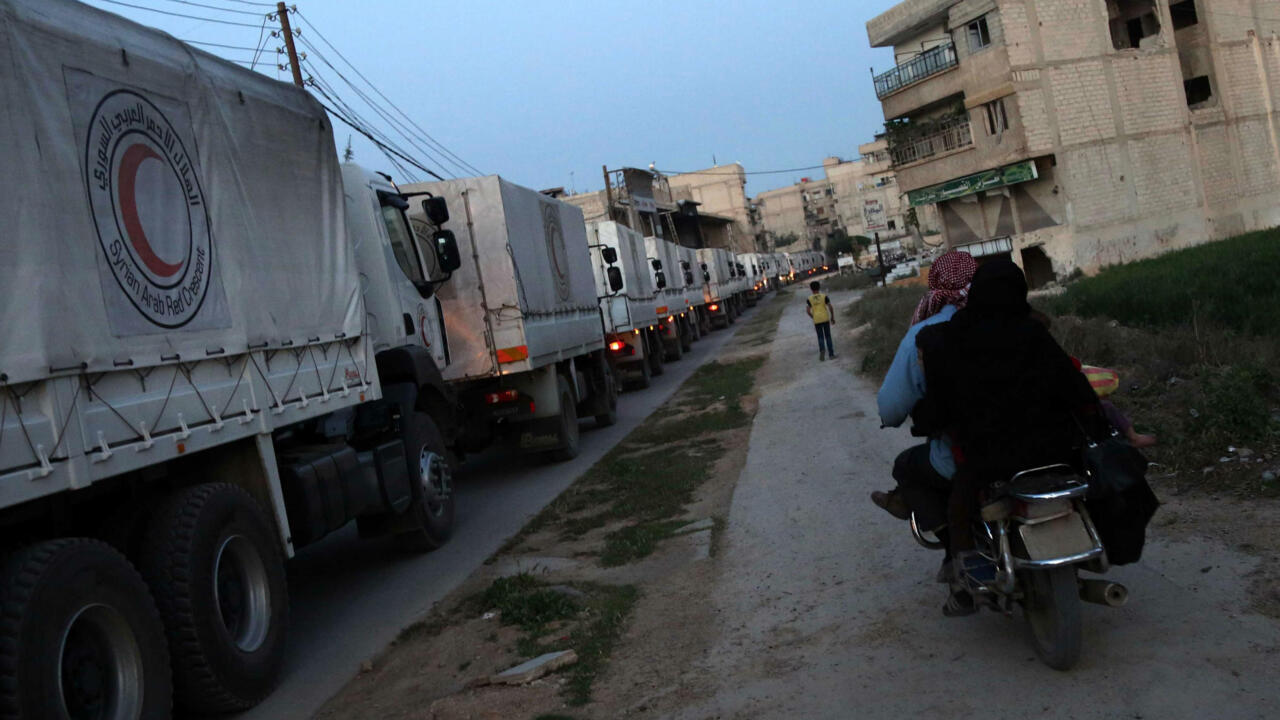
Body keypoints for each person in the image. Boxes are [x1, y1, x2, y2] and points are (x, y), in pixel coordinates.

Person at [915, 258, 1109, 615]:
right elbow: (1076, 388)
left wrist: (924, 422)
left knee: (960, 500)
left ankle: (966, 576)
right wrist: (1100, 430)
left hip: (989, 459)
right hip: (1053, 452)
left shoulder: (955, 338)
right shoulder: (1033, 333)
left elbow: (939, 402)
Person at [872, 251, 978, 582]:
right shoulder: (1009, 319)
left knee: (907, 466)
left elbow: (890, 408)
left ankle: (953, 549)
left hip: (966, 451)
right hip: (1039, 441)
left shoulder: (925, 334)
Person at [805, 281, 836, 361]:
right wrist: (832, 317)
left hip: (817, 320)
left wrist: (813, 317)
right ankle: (831, 354)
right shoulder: (824, 296)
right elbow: (830, 307)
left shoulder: (809, 299)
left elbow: (808, 311)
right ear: (819, 287)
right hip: (825, 318)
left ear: (811, 289)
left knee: (820, 337)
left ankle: (822, 352)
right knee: (828, 336)